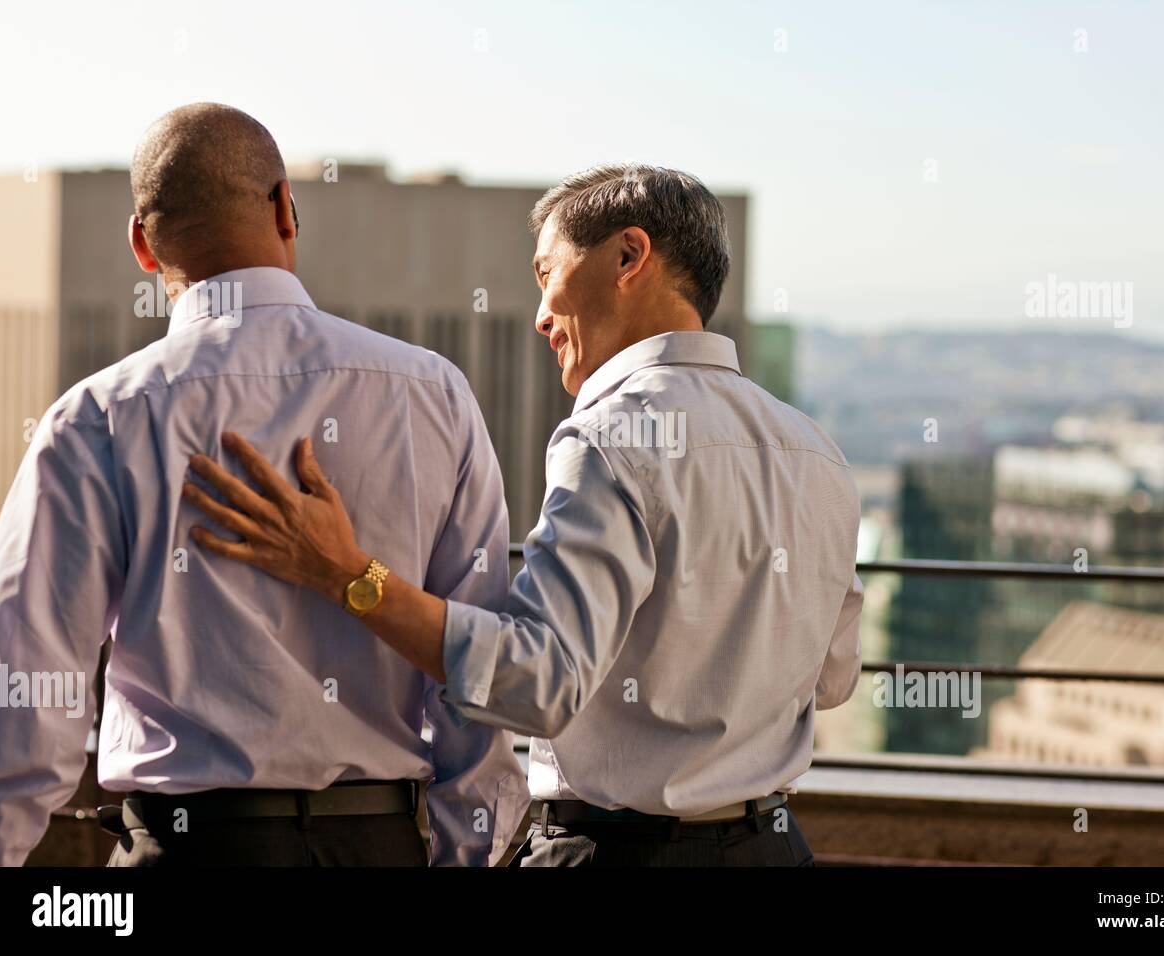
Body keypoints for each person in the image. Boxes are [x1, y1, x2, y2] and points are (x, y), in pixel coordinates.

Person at [186, 163, 865, 866]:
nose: (541, 314)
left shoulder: (609, 437)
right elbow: (834, 678)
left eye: (547, 273)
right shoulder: (817, 451)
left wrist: (351, 575)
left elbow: (540, 683)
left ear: (628, 256)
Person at [0, 103, 527, 867]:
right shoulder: (432, 393)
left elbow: (31, 693)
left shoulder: (96, 418)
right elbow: (474, 663)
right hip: (374, 842)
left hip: (185, 847)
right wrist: (468, 852)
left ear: (142, 244)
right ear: (284, 209)